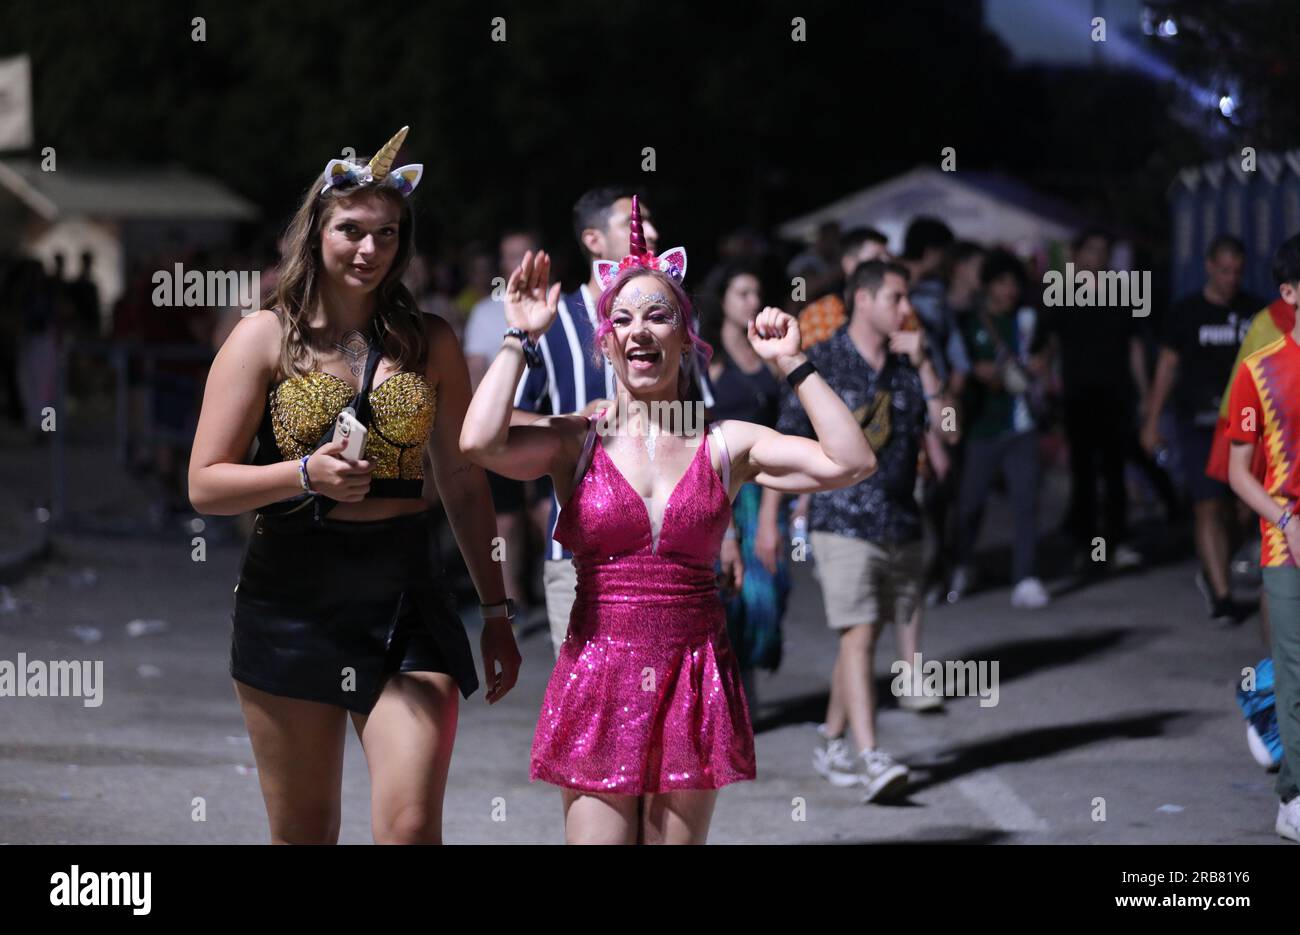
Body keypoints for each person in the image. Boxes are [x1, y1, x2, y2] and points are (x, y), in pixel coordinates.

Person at [461, 197, 875, 843]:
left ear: (686, 336)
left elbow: (851, 460)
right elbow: (479, 443)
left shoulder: (725, 441)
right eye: (622, 319)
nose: (639, 330)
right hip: (598, 670)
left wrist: (794, 363)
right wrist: (520, 335)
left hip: (693, 673)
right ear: (608, 341)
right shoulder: (578, 439)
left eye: (658, 316)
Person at [188, 127, 520, 844]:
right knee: (305, 832)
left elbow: (463, 482)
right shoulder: (262, 338)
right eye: (353, 230)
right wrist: (304, 472)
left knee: (408, 827)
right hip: (293, 594)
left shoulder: (428, 341)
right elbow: (205, 484)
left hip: (407, 592)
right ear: (317, 229)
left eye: (389, 234)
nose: (371, 250)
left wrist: (496, 609)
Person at [511, 186, 737, 658]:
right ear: (594, 242)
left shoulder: (674, 325)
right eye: (636, 222)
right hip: (578, 555)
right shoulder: (553, 320)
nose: (651, 231)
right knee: (590, 703)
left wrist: (727, 532)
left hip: (675, 552)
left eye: (654, 221)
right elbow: (505, 420)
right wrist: (572, 421)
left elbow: (709, 433)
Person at [779, 260, 948, 800]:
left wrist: (925, 368)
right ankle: (871, 756)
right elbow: (786, 439)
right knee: (857, 633)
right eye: (897, 298)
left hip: (900, 518)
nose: (907, 309)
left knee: (865, 635)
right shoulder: (821, 361)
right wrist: (771, 522)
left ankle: (830, 739)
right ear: (865, 299)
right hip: (841, 519)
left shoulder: (908, 363)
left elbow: (949, 428)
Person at [1226, 232, 1300, 842]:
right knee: (1296, 662)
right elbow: (1238, 464)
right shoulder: (1261, 363)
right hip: (1285, 535)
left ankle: (1263, 694)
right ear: (1289, 292)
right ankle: (1294, 795)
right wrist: (1284, 519)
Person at [1146, 234, 1262, 624]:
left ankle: (1214, 568)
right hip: (1197, 424)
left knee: (1245, 511)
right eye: (1224, 270)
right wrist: (1151, 421)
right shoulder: (1185, 313)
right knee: (1208, 504)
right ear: (1209, 267)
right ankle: (1223, 594)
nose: (1231, 278)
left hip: (1245, 425)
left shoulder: (1255, 312)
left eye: (1237, 272)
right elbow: (1166, 367)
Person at [702, 262, 791, 707]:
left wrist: (778, 513)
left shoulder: (769, 354)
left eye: (756, 293)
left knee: (770, 590)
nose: (752, 302)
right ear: (723, 301)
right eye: (742, 293)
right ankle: (732, 698)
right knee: (728, 593)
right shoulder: (709, 360)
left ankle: (744, 682)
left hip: (768, 485)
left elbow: (787, 426)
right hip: (723, 488)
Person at [950, 248, 1050, 609]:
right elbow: (957, 368)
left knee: (1026, 503)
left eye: (1014, 283)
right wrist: (977, 374)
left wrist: (1041, 366)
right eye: (1001, 283)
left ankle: (1026, 577)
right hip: (981, 428)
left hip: (1022, 425)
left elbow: (1046, 358)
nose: (1008, 290)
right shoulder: (969, 322)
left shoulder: (1028, 320)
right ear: (988, 285)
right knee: (970, 505)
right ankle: (961, 565)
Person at [797, 227, 889, 349]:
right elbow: (797, 294)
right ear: (821, 238)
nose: (886, 264)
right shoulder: (803, 261)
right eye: (832, 237)